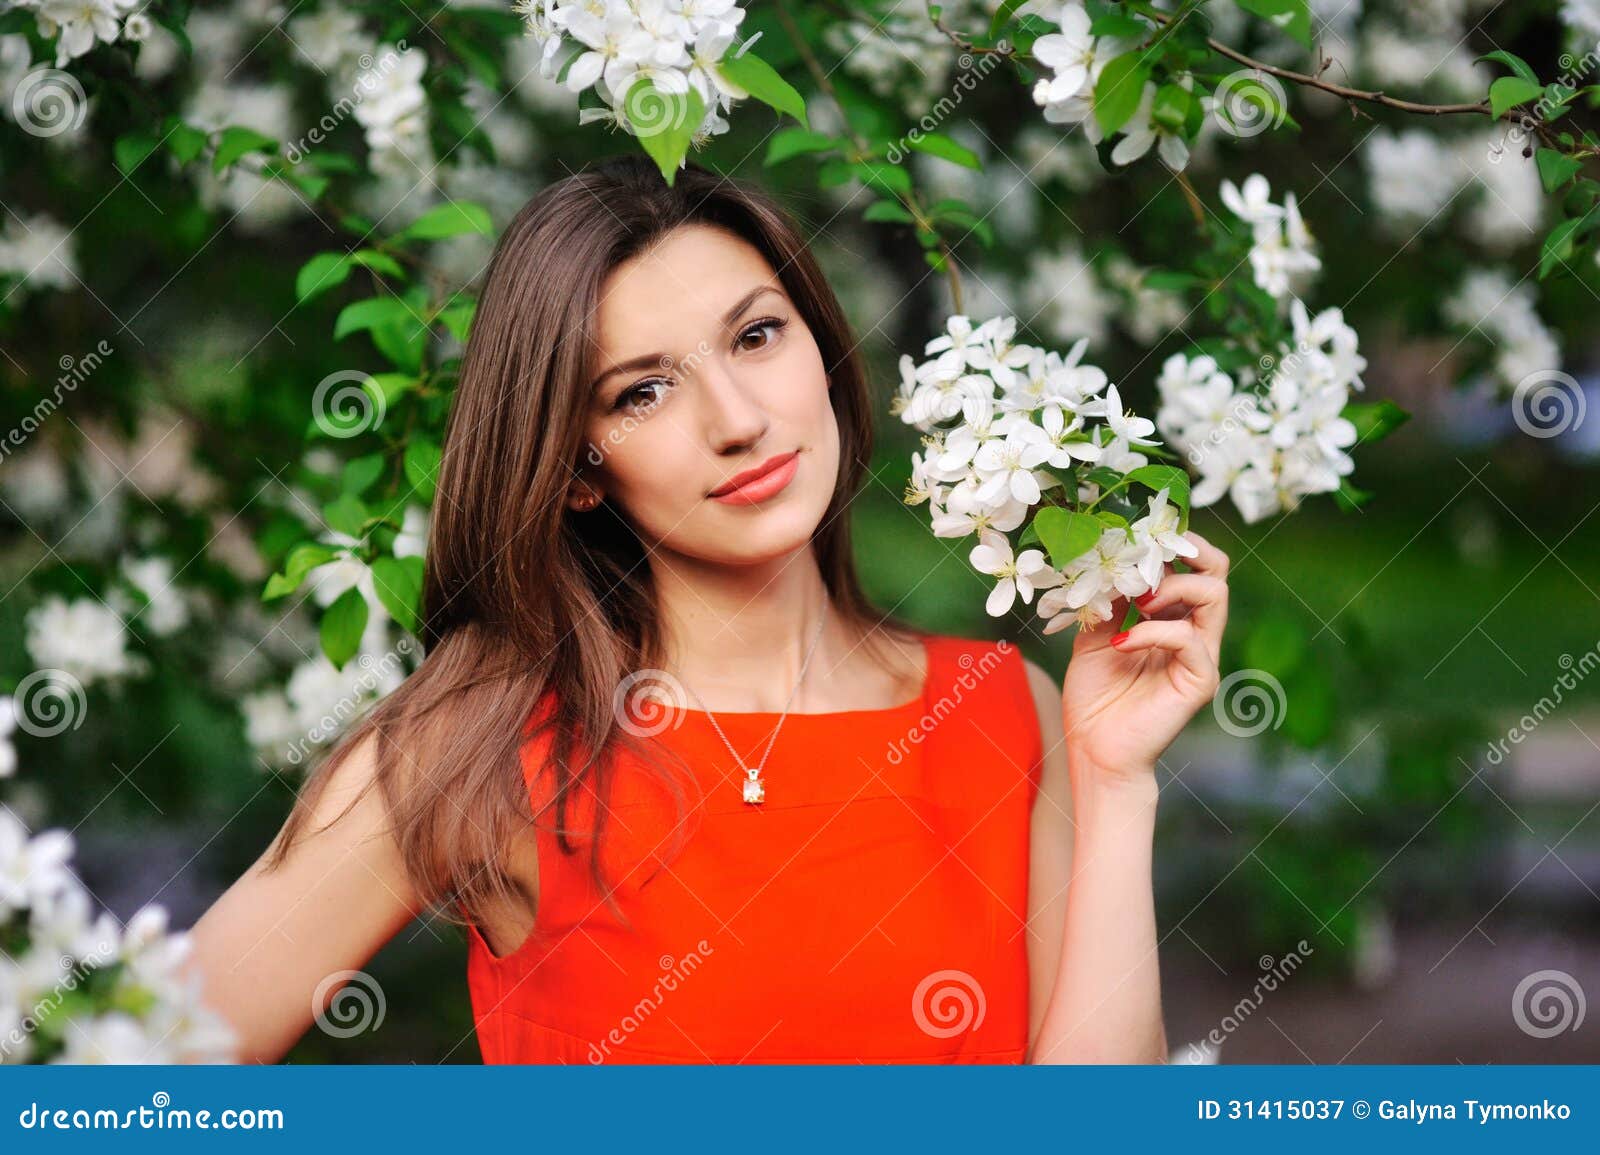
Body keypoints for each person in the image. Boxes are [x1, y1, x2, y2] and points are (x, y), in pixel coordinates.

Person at [185, 155, 1229, 1064]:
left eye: (757, 336)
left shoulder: (1003, 710)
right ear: (578, 471)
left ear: (820, 347)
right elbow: (121, 1078)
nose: (736, 419)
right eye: (642, 392)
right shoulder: (478, 746)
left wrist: (1113, 779)